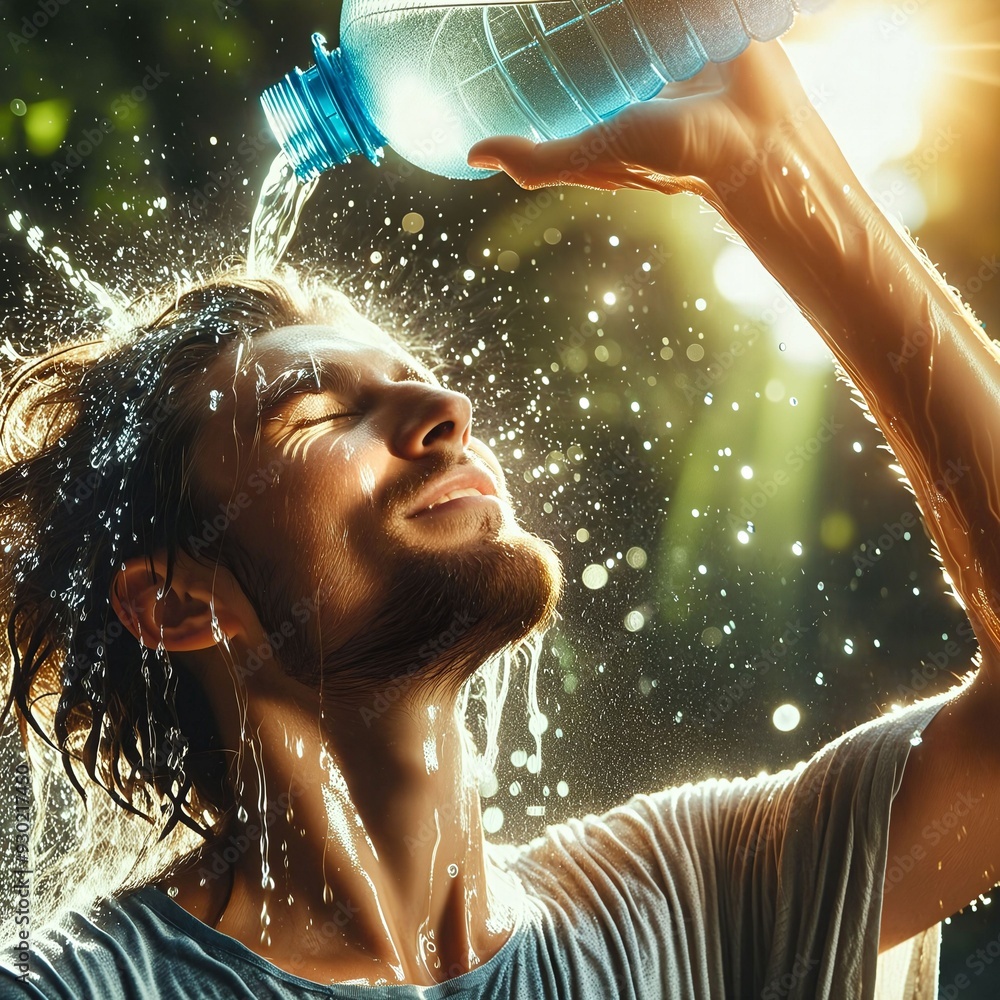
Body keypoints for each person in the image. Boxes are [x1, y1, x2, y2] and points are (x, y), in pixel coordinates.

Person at [0, 37, 995, 1000]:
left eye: (423, 385)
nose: (447, 415)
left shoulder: (692, 899)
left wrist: (771, 166)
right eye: (324, 415)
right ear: (177, 600)